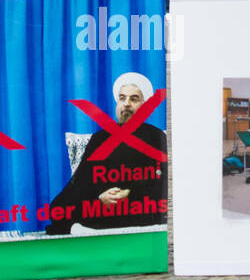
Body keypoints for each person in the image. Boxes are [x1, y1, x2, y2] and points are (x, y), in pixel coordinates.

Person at [45, 71, 167, 235]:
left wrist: (129, 193)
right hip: (101, 206)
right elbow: (82, 180)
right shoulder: (100, 138)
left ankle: (85, 228)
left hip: (138, 205)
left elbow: (161, 181)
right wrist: (100, 196)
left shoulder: (156, 137)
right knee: (58, 208)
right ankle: (84, 228)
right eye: (122, 98)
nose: (126, 104)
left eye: (134, 99)